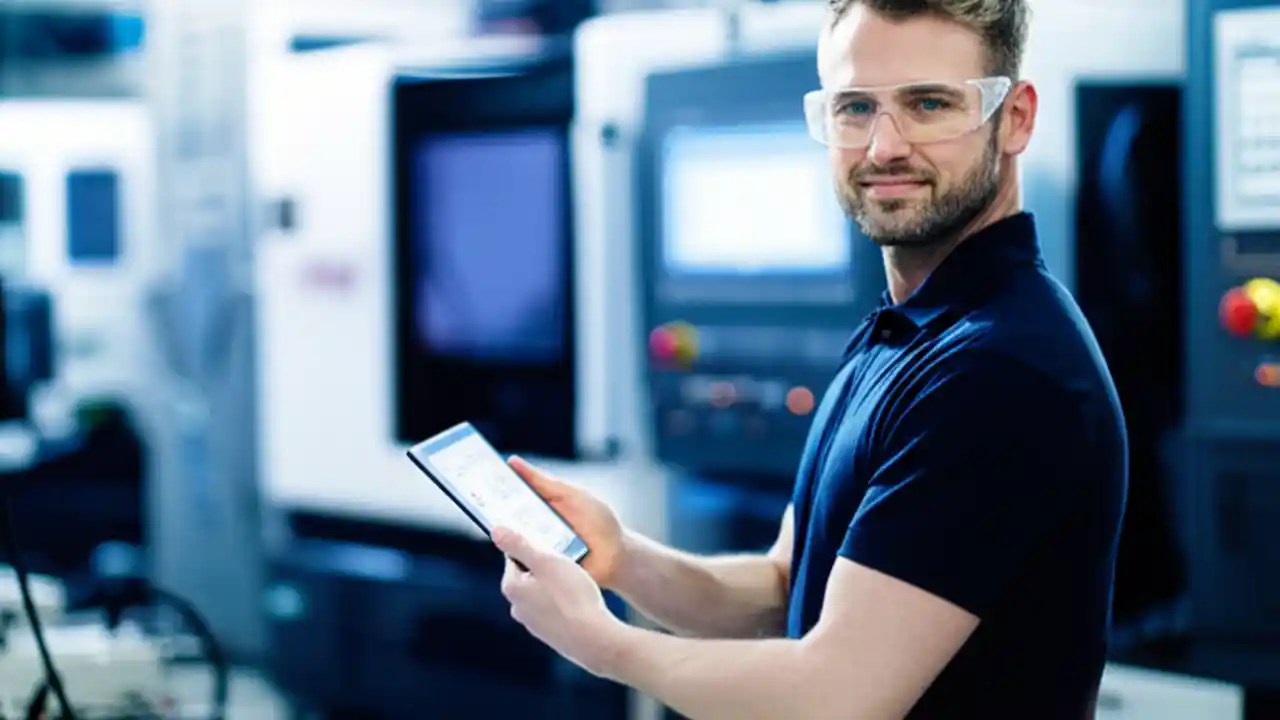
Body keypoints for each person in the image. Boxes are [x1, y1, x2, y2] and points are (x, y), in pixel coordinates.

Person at [489, 0, 1129, 717]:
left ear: (1015, 118)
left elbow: (835, 694)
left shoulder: (1001, 371)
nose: (885, 146)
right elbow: (784, 590)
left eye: (928, 104)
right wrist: (623, 557)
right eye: (856, 107)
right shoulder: (902, 334)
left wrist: (602, 644)